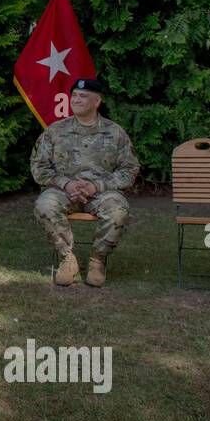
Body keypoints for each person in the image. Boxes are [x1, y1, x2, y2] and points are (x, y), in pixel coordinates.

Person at [31, 77, 140, 287]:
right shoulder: (55, 131)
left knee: (118, 210)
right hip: (63, 191)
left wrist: (96, 186)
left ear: (96, 101)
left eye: (83, 96)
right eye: (74, 95)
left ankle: (97, 261)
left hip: (102, 192)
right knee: (45, 205)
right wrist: (66, 184)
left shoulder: (115, 132)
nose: (76, 99)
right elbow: (39, 167)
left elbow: (130, 169)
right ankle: (67, 259)